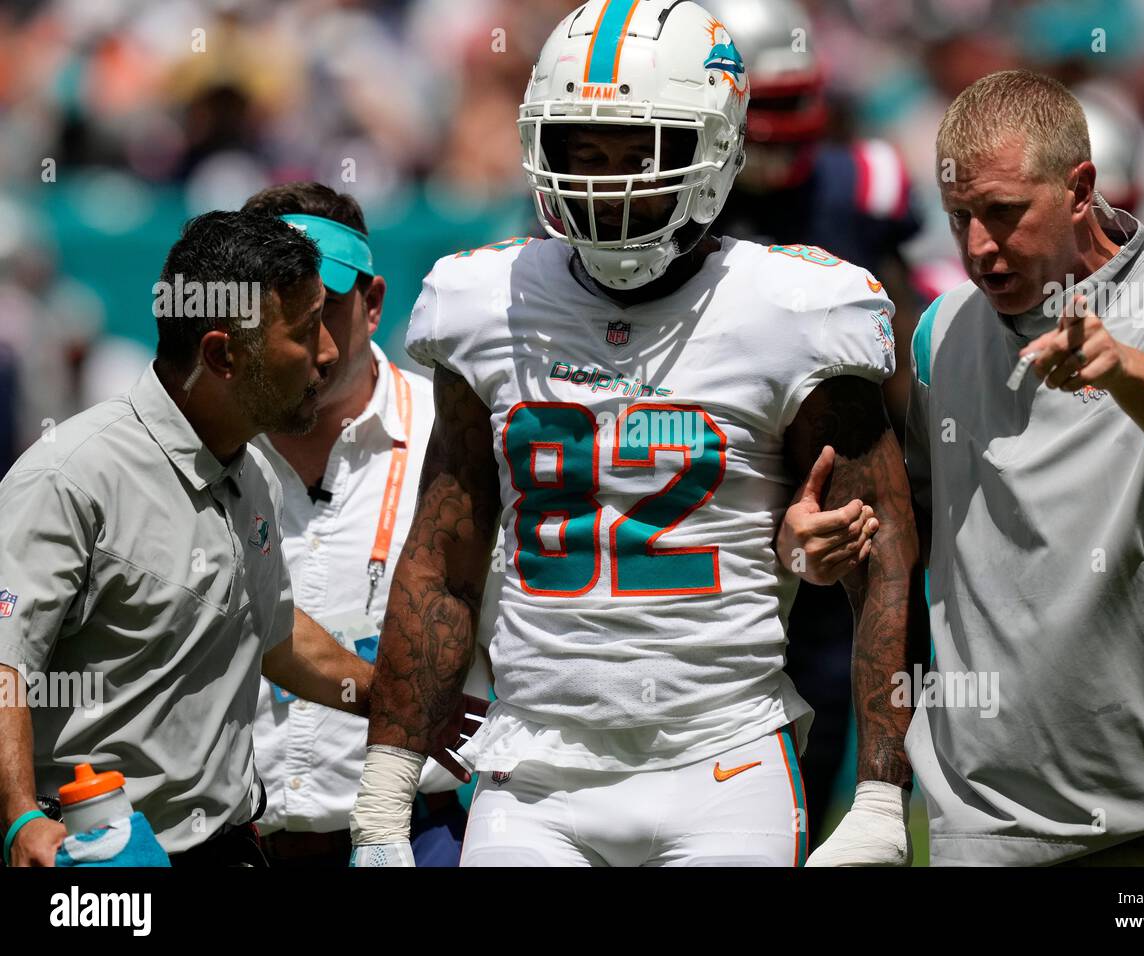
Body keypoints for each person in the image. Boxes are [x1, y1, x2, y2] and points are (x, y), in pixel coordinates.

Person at [349, 0, 927, 868]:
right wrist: (385, 797)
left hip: (724, 760)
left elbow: (884, 559)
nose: (609, 181)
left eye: (640, 153)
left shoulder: (794, 310)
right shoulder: (483, 302)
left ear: (714, 149)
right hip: (532, 767)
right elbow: (441, 559)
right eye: (585, 151)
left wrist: (882, 795)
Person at [905, 69, 1144, 865]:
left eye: (1005, 213)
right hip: (988, 827)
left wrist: (1125, 371)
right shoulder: (940, 332)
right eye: (961, 218)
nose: (979, 247)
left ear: (1081, 189)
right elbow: (917, 519)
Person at [0, 210, 373, 867]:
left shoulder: (250, 470)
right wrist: (21, 820)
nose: (327, 352)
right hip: (102, 867)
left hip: (232, 850)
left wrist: (405, 701)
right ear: (222, 355)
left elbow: (277, 640)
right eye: (305, 329)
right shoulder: (69, 478)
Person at [707, 0, 924, 842]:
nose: (779, 128)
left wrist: (923, 472)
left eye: (794, 99)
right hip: (729, 502)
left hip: (848, 494)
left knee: (847, 706)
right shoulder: (669, 201)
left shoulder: (862, 187)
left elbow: (904, 327)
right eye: (764, 105)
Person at [239, 182, 490, 867]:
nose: (304, 332)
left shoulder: (457, 438)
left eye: (328, 303)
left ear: (375, 303)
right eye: (279, 305)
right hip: (234, 842)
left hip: (416, 835)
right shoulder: (202, 448)